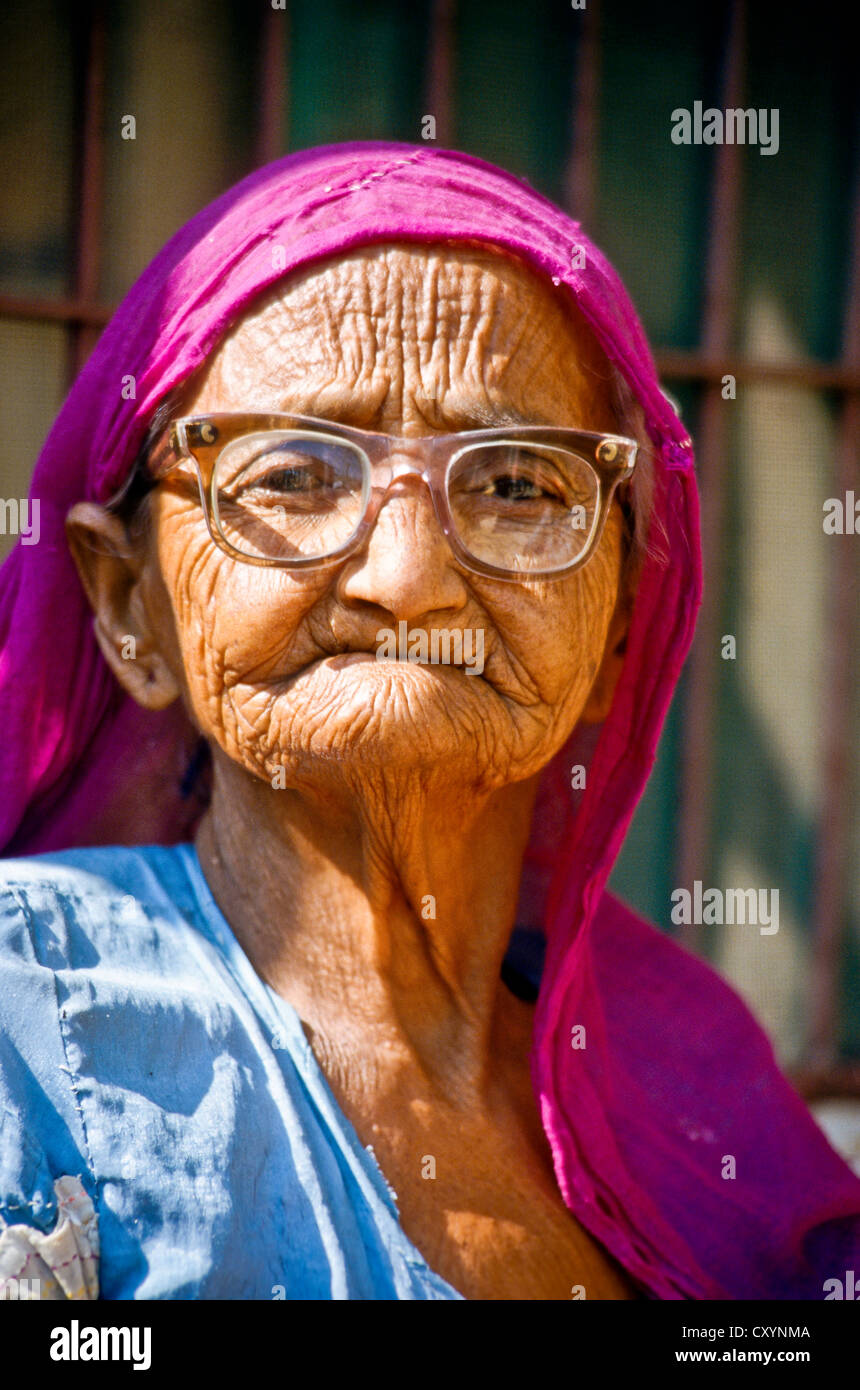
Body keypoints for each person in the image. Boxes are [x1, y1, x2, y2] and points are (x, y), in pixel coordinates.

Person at [0, 142, 857, 1301]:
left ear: (615, 632)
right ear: (128, 607)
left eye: (514, 485)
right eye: (294, 477)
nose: (406, 580)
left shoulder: (703, 1110)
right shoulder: (24, 1022)